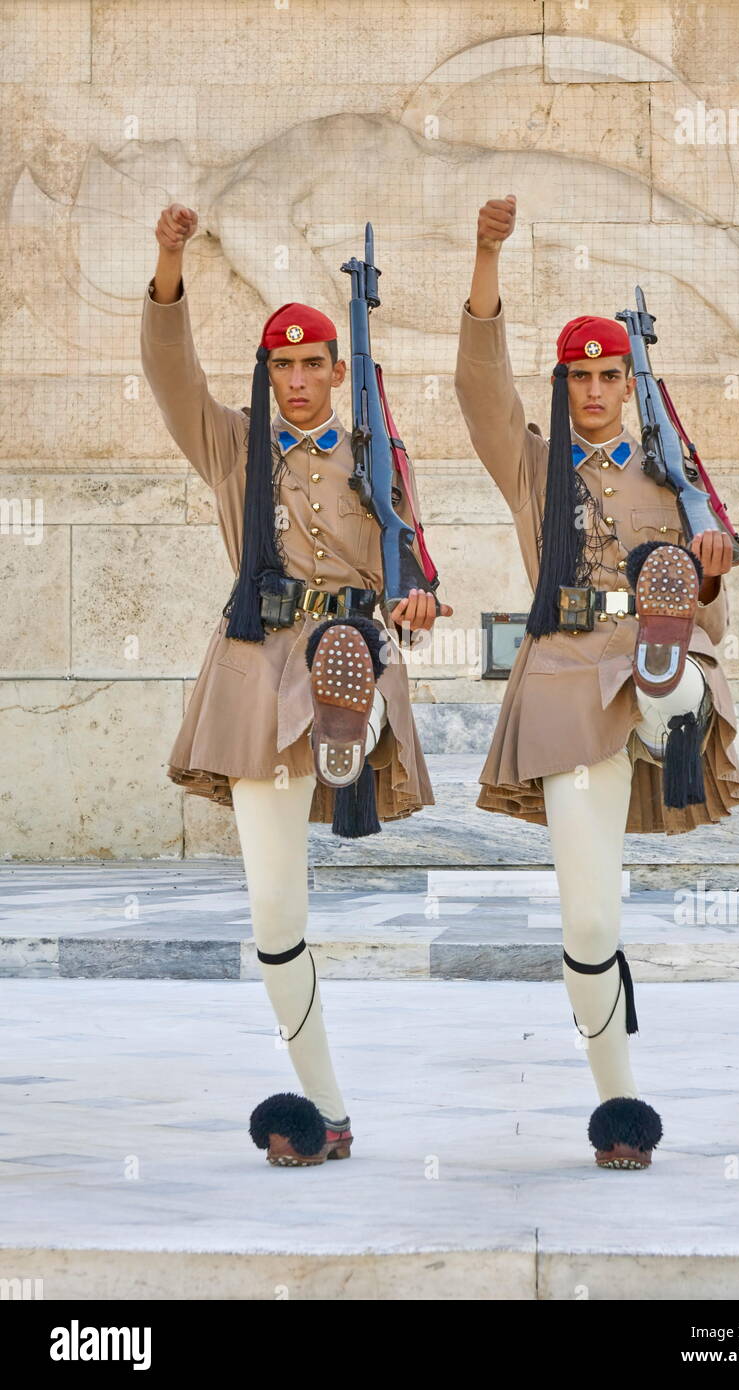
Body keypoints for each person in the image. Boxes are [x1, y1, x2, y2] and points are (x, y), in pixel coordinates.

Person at [141, 203, 452, 1167]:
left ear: (335, 371)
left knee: (346, 646)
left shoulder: (376, 460)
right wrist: (168, 262)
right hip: (252, 668)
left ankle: (345, 722)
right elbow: (169, 374)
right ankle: (327, 1108)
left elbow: (413, 571)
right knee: (276, 914)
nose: (298, 380)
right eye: (282, 366)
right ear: (269, 377)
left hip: (345, 646)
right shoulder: (236, 447)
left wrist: (414, 606)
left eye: (313, 363)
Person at [454, 194, 739, 1170]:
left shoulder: (670, 479)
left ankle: (672, 721)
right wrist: (485, 261)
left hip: (653, 660)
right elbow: (477, 388)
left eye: (606, 375)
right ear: (564, 383)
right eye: (577, 376)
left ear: (627, 383)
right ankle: (617, 1101)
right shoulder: (533, 466)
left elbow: (718, 602)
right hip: (566, 681)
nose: (592, 389)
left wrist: (702, 563)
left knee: (671, 642)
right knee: (587, 921)